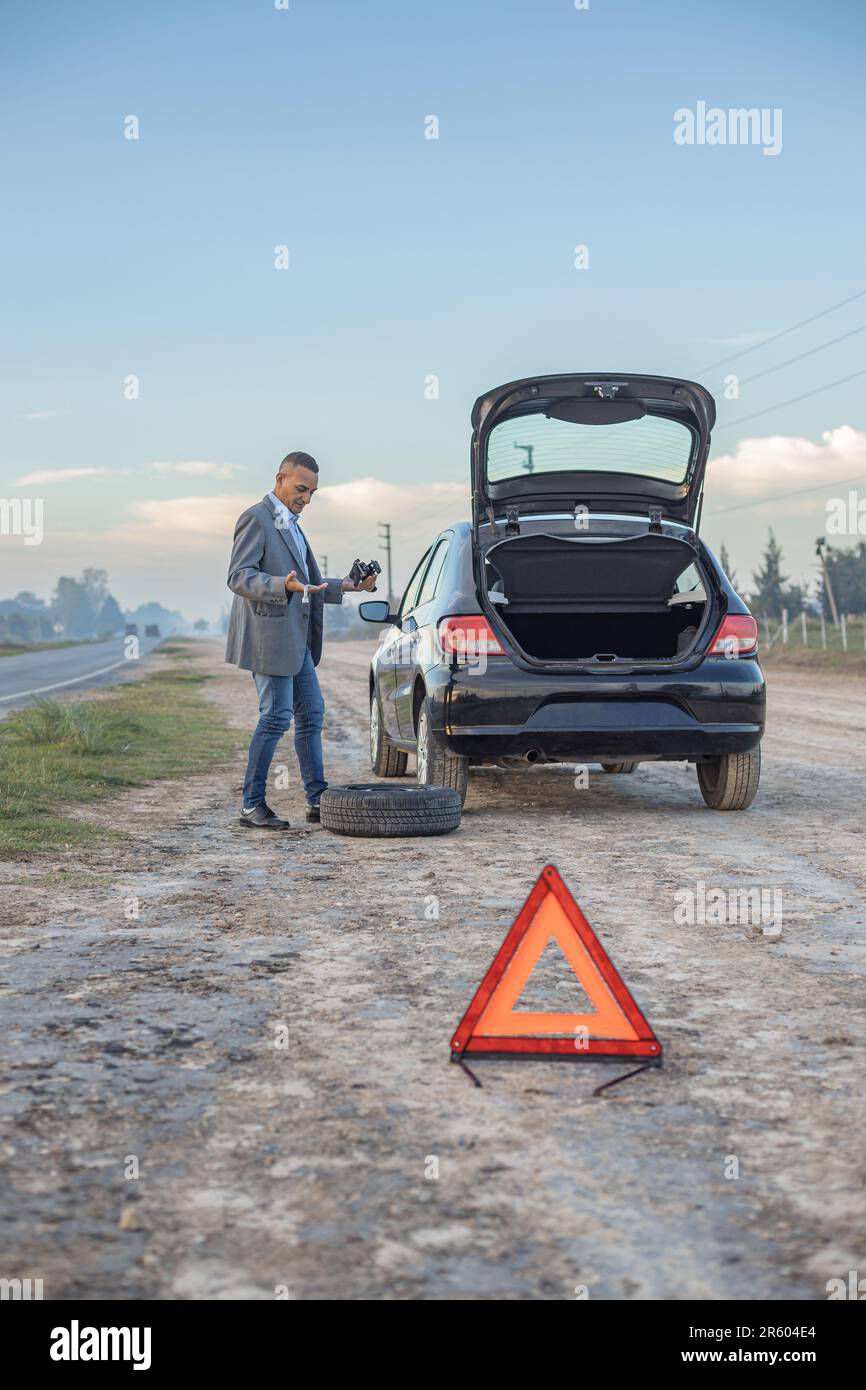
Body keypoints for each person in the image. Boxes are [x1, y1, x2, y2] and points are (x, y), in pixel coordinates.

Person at [225, 450, 377, 829]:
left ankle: (317, 801)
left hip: (297, 643)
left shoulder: (291, 524)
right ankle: (251, 805)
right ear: (280, 479)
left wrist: (347, 585)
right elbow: (238, 576)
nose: (306, 499)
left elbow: (308, 584)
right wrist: (282, 585)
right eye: (301, 489)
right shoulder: (256, 518)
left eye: (312, 493)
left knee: (311, 714)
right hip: (269, 640)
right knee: (276, 717)